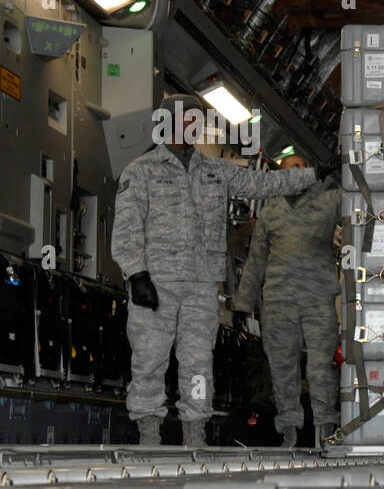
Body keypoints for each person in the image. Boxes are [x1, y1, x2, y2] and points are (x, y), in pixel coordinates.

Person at [112, 94, 337, 447]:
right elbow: (126, 229)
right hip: (156, 284)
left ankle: (194, 433)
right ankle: (148, 434)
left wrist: (313, 175)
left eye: (197, 120)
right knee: (149, 359)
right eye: (188, 119)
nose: (194, 126)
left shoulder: (215, 170)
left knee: (198, 362)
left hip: (201, 287)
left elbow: (266, 184)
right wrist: (136, 274)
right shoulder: (140, 171)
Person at [232, 148, 344, 447]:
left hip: (318, 298)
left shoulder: (328, 201)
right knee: (283, 369)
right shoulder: (270, 214)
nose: (300, 171)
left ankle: (325, 428)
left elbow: (358, 203)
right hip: (279, 302)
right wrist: (242, 304)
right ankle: (289, 431)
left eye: (305, 166)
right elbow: (255, 261)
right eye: (293, 167)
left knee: (320, 367)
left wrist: (343, 172)